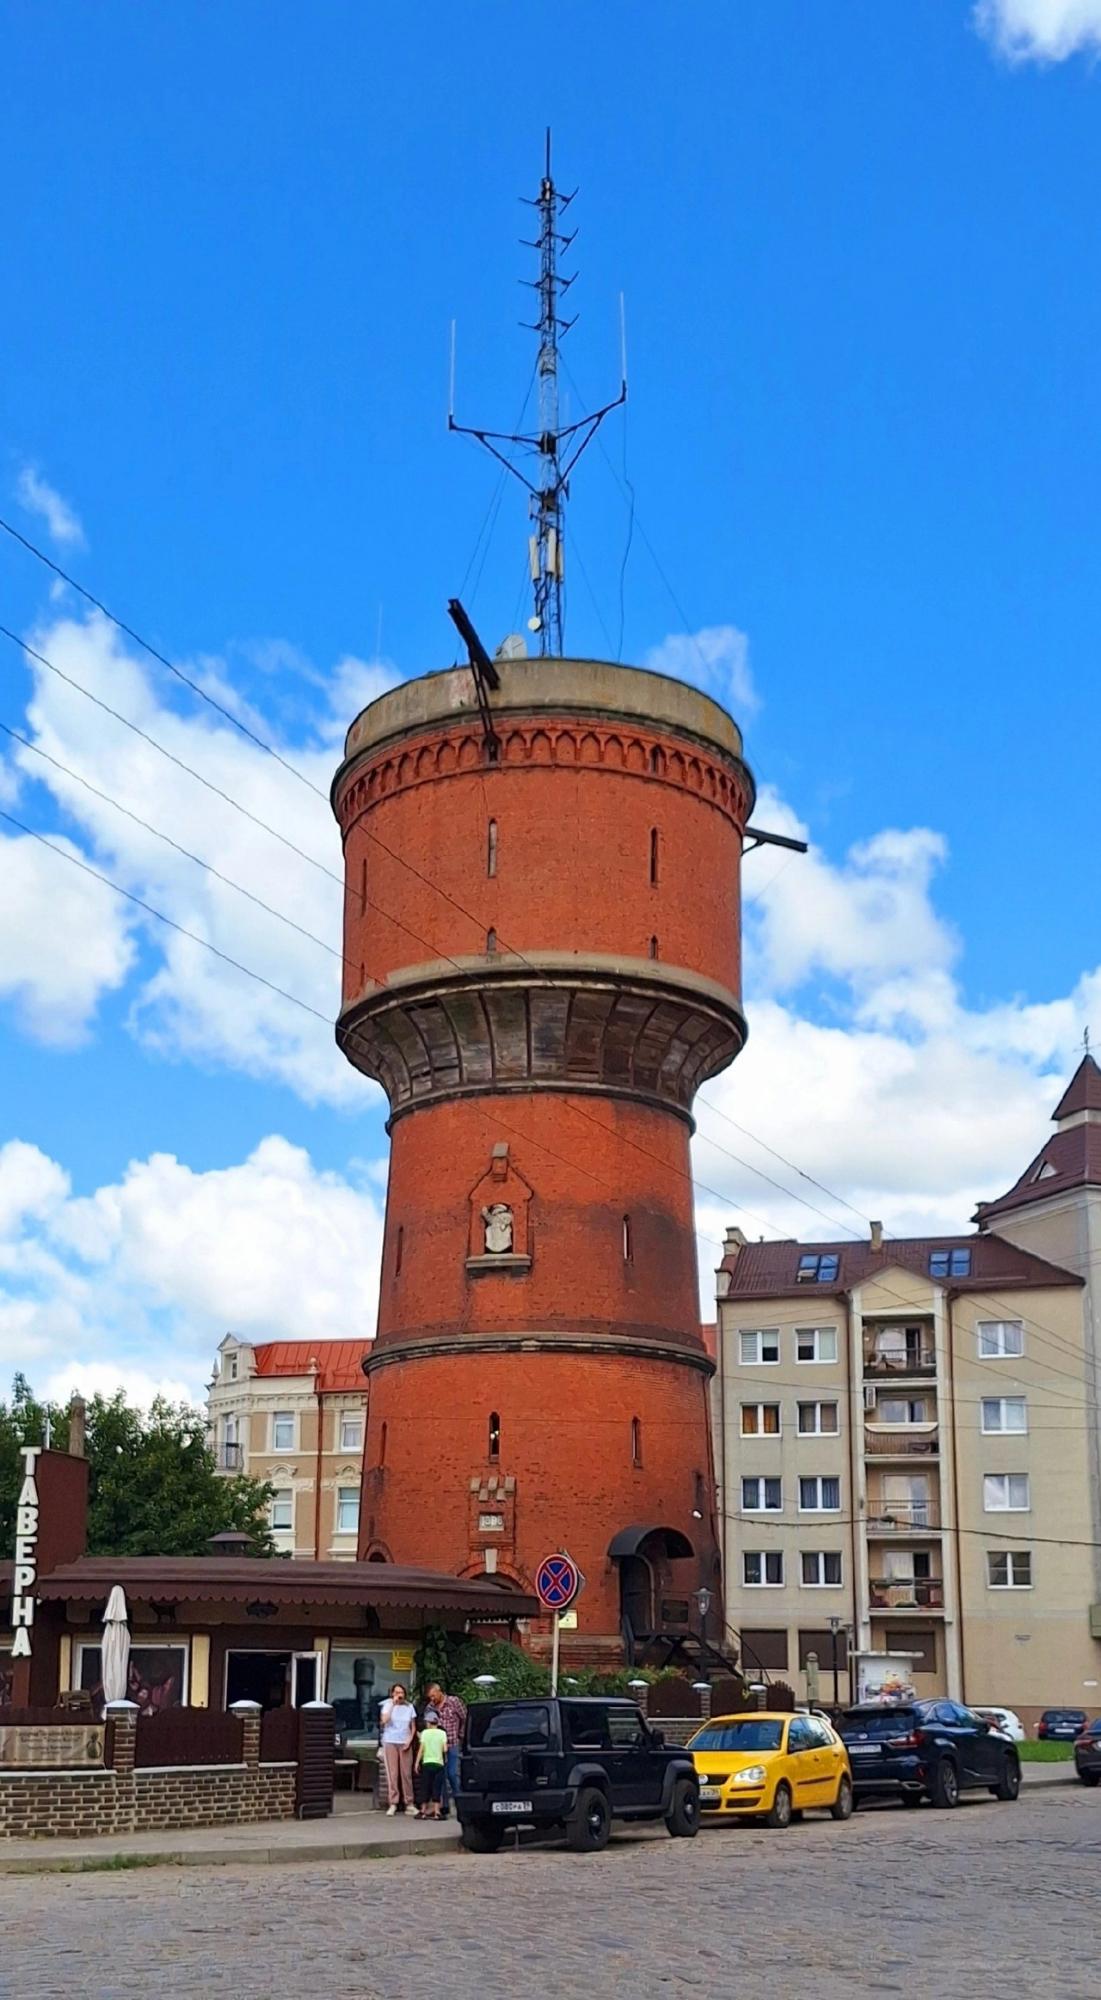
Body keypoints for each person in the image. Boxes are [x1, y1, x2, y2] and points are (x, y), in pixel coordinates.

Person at [426, 1680, 467, 1818]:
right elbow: (428, 1726)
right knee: (440, 1777)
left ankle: (461, 1804)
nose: (432, 1699)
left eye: (433, 1695)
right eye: (430, 1697)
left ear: (440, 1692)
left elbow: (464, 1718)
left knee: (452, 1774)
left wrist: (461, 1734)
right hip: (437, 1747)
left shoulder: (454, 1702)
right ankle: (444, 1807)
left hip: (452, 1743)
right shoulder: (430, 1707)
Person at [379, 1682, 417, 1815]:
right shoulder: (387, 1705)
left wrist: (409, 1740)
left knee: (406, 1773)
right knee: (393, 1774)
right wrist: (393, 1706)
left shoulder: (410, 1707)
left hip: (404, 1741)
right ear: (392, 1694)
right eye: (396, 1693)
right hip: (390, 1741)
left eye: (401, 1693)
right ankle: (393, 1802)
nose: (399, 1695)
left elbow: (413, 1727)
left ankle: (409, 1802)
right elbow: (384, 1721)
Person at [414, 1707, 448, 1820]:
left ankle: (422, 1811)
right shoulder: (442, 1733)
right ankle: (437, 1812)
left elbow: (421, 1749)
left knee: (425, 1787)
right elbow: (445, 1749)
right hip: (439, 1764)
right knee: (436, 1788)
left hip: (427, 1764)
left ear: (428, 1722)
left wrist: (416, 1763)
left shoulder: (424, 1733)